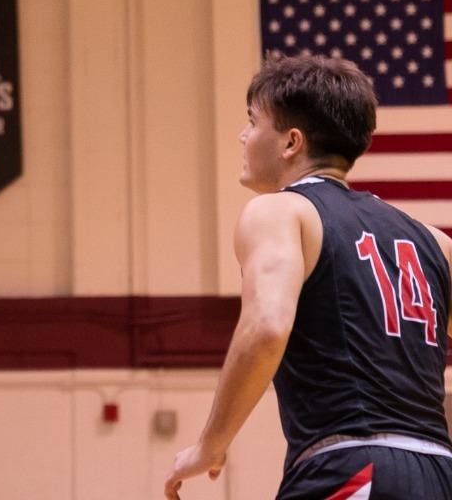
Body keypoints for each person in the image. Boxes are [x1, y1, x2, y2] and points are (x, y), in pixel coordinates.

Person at [166, 53, 452, 500]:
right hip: (438, 471)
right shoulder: (435, 242)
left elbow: (265, 328)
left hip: (351, 463)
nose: (243, 135)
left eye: (252, 121)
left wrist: (210, 445)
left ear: (290, 142)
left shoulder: (280, 210)